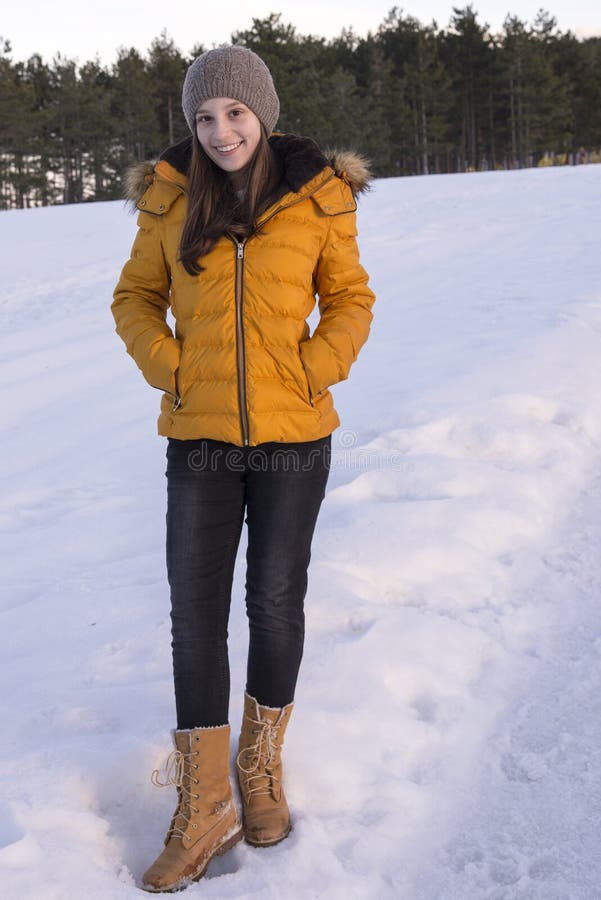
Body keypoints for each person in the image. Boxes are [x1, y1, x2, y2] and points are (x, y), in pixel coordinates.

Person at [112, 44, 375, 893]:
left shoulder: (317, 197)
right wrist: (171, 367)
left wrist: (317, 364)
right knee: (195, 616)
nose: (221, 131)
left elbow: (350, 297)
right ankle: (203, 804)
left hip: (295, 435)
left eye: (235, 113)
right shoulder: (170, 198)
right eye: (203, 118)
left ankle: (258, 771)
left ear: (262, 112)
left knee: (272, 600)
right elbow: (134, 299)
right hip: (200, 436)